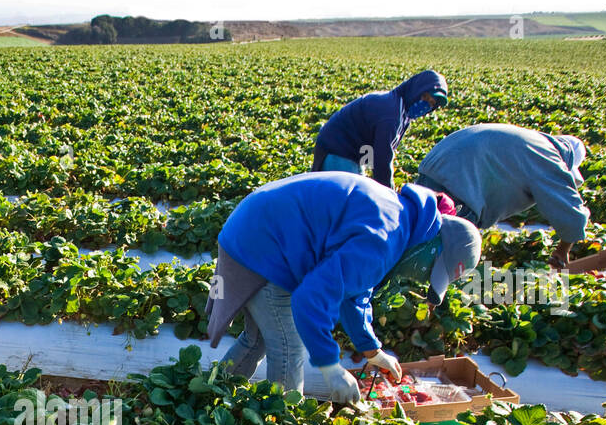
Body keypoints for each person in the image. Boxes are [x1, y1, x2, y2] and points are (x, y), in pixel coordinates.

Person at [205, 171, 481, 406]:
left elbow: (355, 292)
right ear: (433, 246)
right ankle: (280, 423)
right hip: (264, 245)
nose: (422, 279)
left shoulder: (399, 221)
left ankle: (212, 394)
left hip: (253, 228)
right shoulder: (384, 238)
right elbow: (309, 299)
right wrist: (330, 367)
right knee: (289, 349)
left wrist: (371, 350)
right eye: (430, 269)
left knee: (257, 339)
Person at [416, 123, 590, 267]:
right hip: (461, 185)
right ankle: (430, 297)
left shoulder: (531, 140)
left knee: (417, 229)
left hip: (435, 167)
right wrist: (563, 250)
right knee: (442, 255)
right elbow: (571, 212)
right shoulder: (548, 156)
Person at [311, 70, 448, 188]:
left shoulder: (401, 111)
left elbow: (374, 149)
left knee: (355, 197)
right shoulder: (392, 113)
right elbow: (383, 156)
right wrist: (387, 193)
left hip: (350, 153)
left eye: (431, 103)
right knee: (343, 202)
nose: (425, 105)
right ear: (416, 90)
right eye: (424, 97)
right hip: (338, 151)